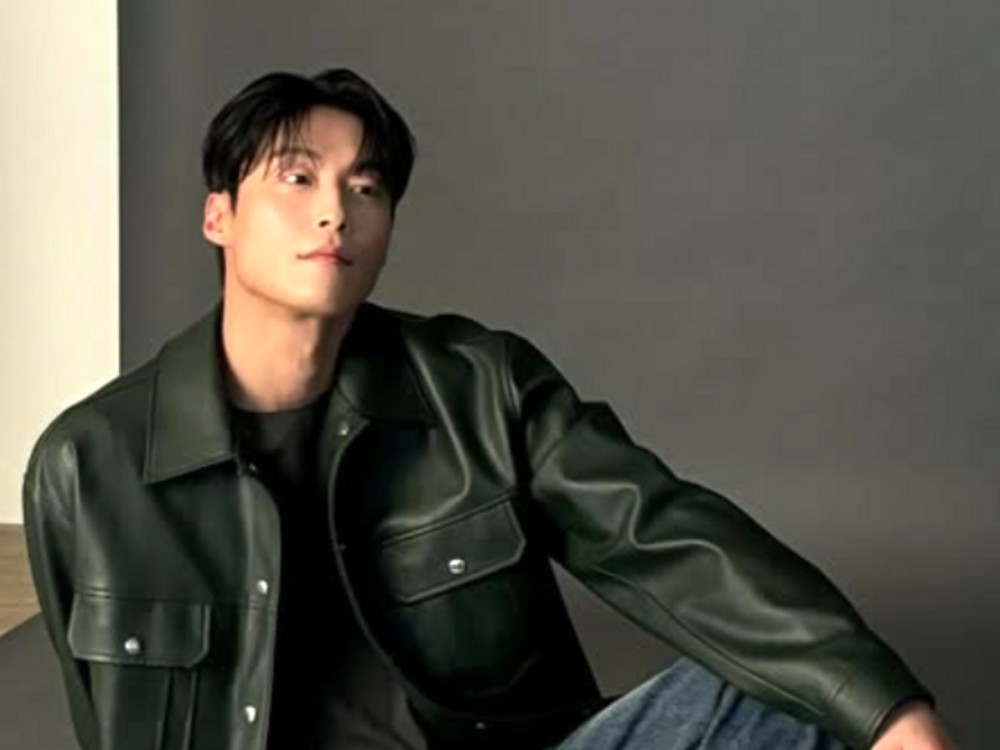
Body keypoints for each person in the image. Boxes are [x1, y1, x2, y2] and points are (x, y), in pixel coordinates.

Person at [22, 67, 956, 750]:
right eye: (297, 179)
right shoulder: (89, 463)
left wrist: (892, 713)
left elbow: (671, 544)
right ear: (218, 216)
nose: (335, 212)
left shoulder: (477, 387)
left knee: (786, 696)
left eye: (366, 187)